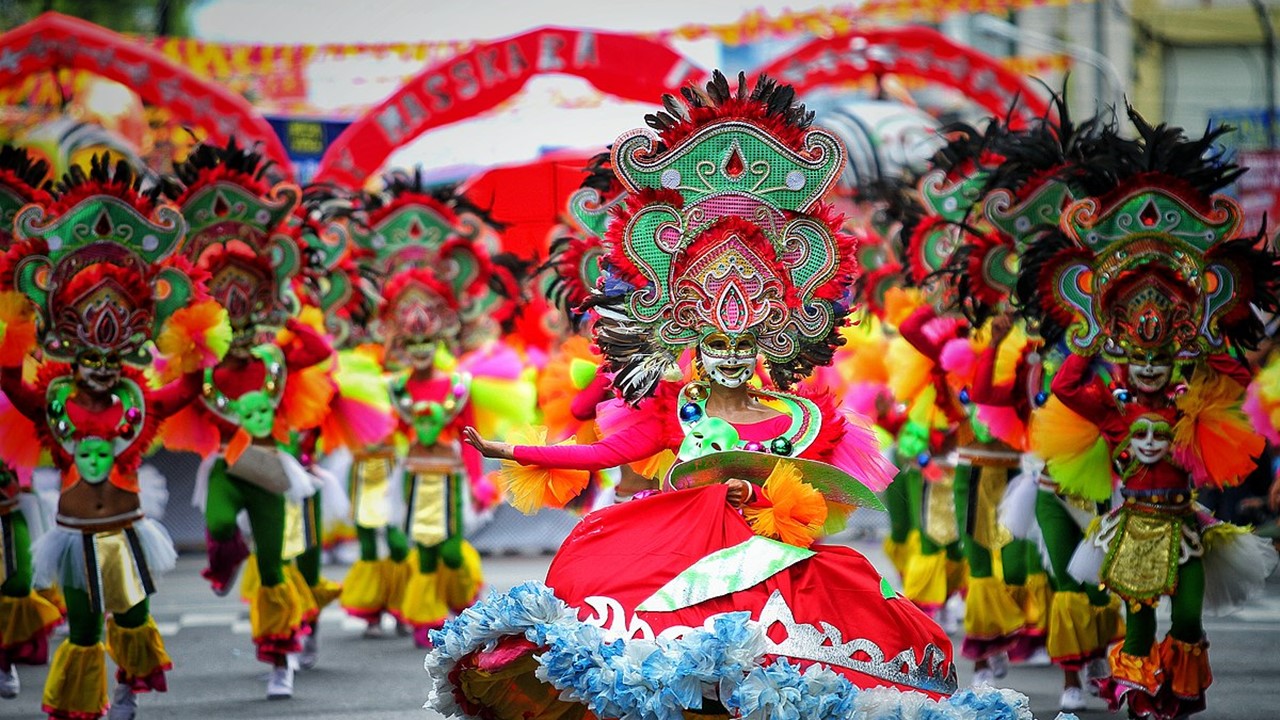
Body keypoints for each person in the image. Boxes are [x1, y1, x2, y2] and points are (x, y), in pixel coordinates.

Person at [420, 72, 1058, 720]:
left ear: (768, 343)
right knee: (673, 672)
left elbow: (820, 505)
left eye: (741, 344)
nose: (727, 357)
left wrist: (763, 501)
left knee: (784, 678)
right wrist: (509, 450)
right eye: (714, 344)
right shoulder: (677, 409)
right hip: (678, 559)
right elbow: (603, 453)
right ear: (692, 341)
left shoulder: (803, 418)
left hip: (773, 576)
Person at [1019, 108, 1280, 720]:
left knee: (1186, 620)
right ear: (1124, 360)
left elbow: (1242, 382)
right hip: (1132, 527)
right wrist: (1088, 334)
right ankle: (1137, 694)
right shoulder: (1114, 411)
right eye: (1138, 359)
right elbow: (1066, 385)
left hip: (1186, 526)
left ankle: (1179, 692)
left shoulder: (1192, 406)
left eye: (1158, 359)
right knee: (1138, 621)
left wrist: (1211, 339)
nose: (1149, 369)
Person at [0, 154, 228, 720]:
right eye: (90, 356)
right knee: (82, 628)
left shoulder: (140, 404)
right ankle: (86, 704)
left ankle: (128, 686)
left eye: (112, 356)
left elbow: (187, 390)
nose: (101, 368)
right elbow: (10, 381)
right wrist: (19, 316)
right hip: (72, 534)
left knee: (131, 616)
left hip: (124, 531)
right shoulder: (53, 402)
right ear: (71, 352)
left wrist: (193, 334)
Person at [158, 139, 332, 700]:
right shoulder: (203, 364)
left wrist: (288, 312)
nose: (236, 312)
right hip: (226, 466)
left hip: (272, 469)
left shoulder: (274, 356)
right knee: (216, 525)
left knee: (276, 568)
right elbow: (169, 399)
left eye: (246, 299)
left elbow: (319, 351)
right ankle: (224, 559)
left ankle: (280, 658)